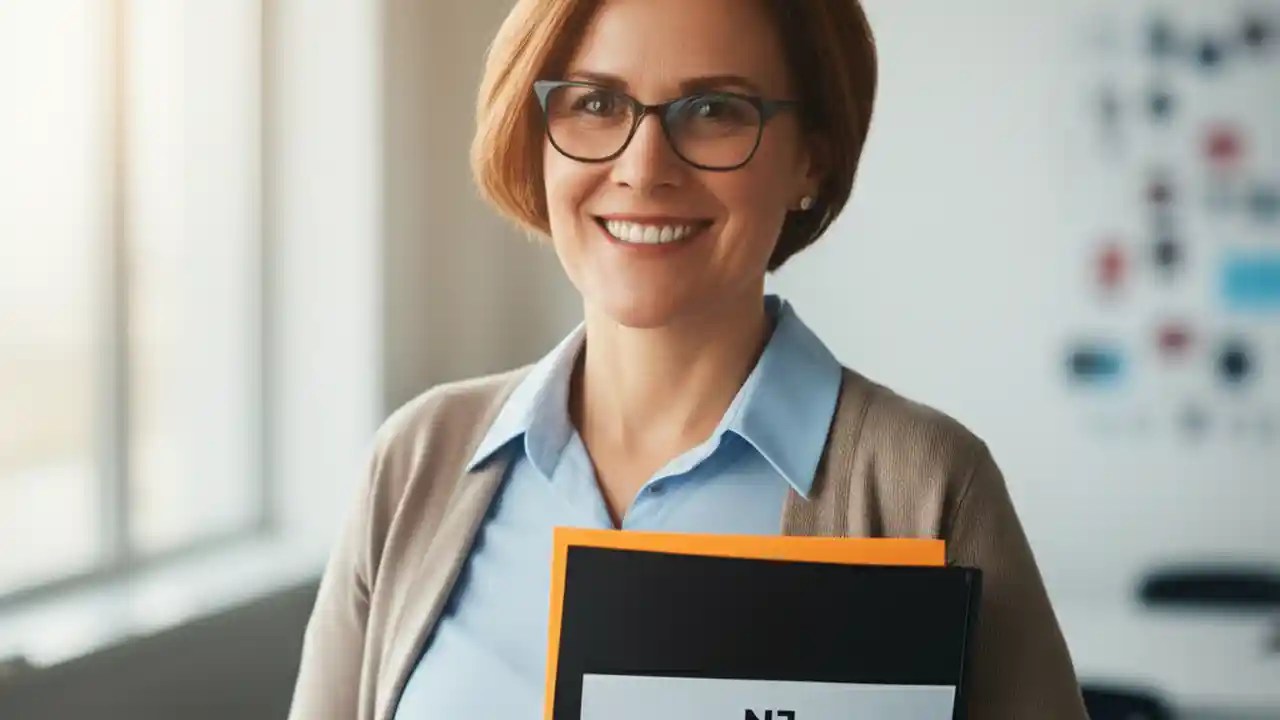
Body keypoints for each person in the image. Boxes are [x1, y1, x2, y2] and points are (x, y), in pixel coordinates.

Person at [288, 0, 1089, 717]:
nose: (644, 168)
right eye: (596, 103)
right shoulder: (416, 463)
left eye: (713, 110)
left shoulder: (928, 485)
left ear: (811, 158)